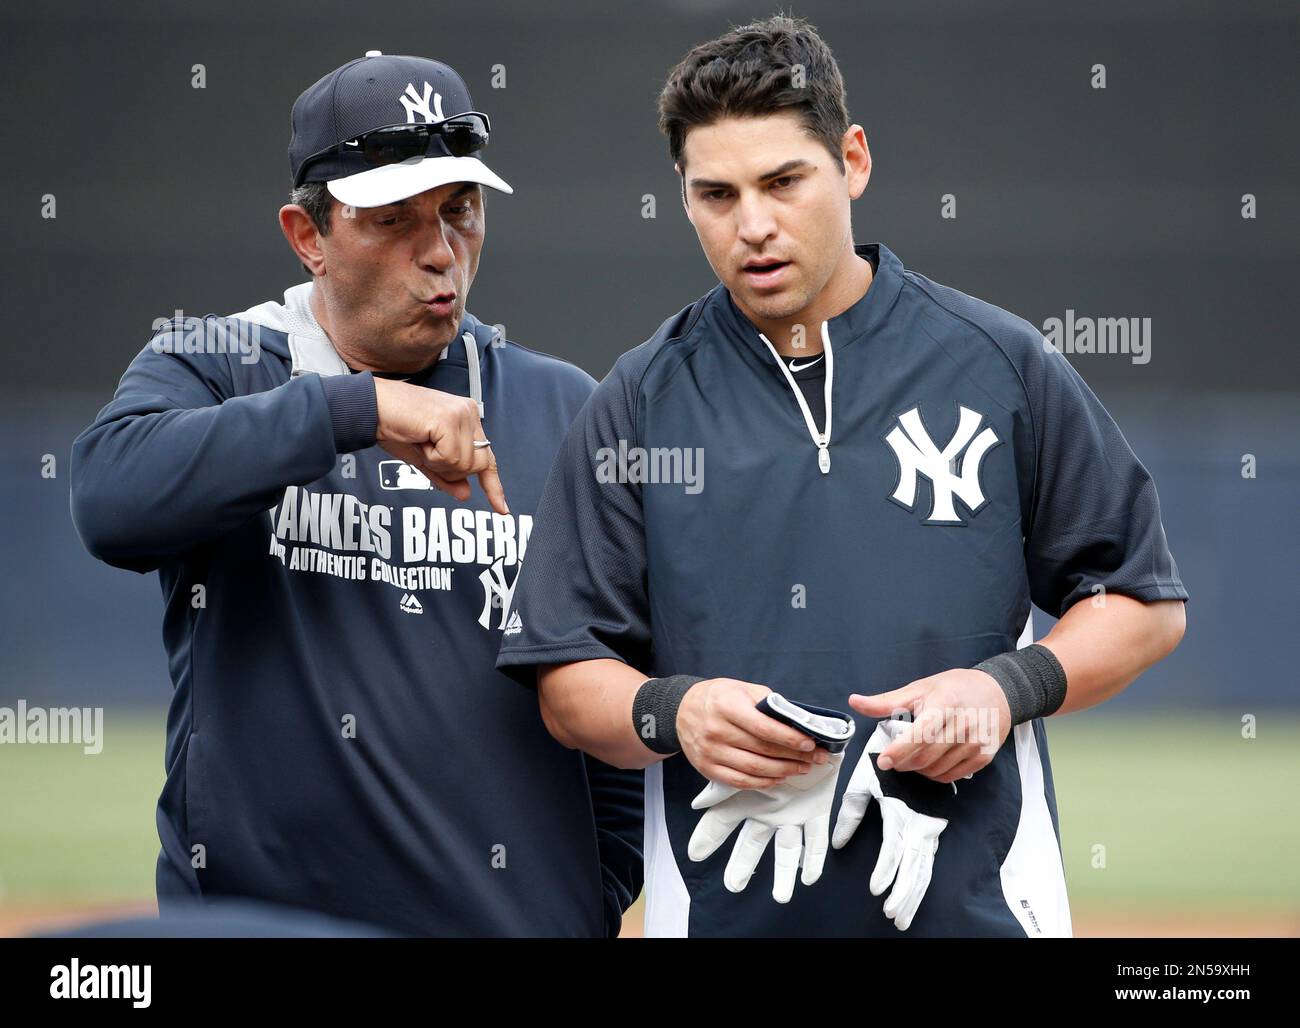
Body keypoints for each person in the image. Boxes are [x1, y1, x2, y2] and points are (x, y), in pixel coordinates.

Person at [496, 16, 1187, 937]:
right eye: (716, 194)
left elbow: (1140, 604)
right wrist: (675, 712)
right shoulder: (640, 399)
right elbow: (566, 677)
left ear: (852, 161)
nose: (754, 225)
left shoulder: (1000, 364)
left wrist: (1001, 690)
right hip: (725, 919)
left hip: (979, 913)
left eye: (785, 181)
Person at [70, 51, 641, 937]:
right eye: (392, 220)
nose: (439, 252)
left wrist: (580, 897)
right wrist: (353, 406)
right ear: (308, 236)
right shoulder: (219, 366)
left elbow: (620, 675)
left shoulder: (561, 405)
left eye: (460, 210)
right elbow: (111, 499)